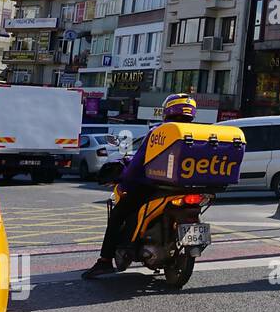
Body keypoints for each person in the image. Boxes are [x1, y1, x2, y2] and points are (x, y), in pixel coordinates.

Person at [81, 93, 198, 279]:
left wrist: (124, 180)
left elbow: (139, 162)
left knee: (117, 216)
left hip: (151, 187)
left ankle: (104, 261)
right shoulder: (199, 133)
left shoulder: (159, 131)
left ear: (168, 110)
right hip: (190, 188)